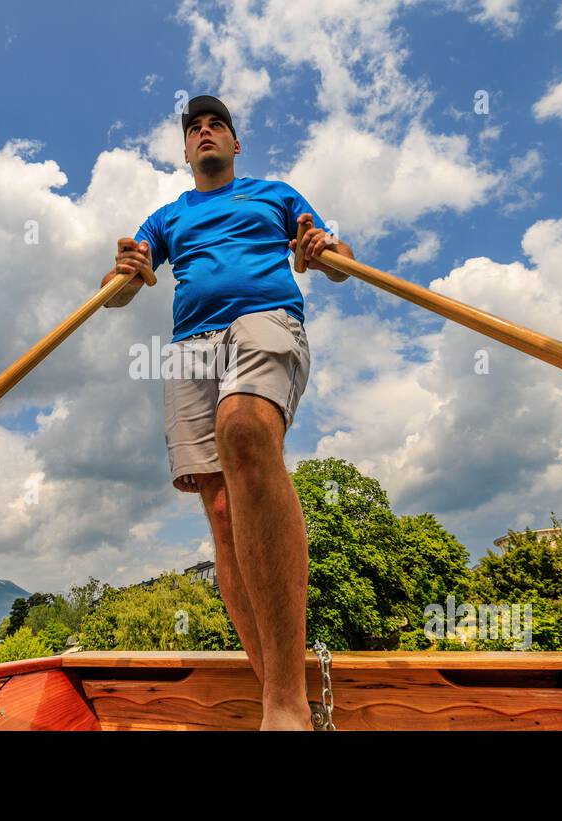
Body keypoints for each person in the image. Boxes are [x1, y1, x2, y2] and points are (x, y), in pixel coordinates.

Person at [101, 95, 355, 730]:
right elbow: (121, 295)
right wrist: (128, 271)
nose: (205, 132)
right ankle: (280, 697)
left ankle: (288, 703)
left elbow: (343, 264)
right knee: (219, 511)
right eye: (194, 129)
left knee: (243, 429)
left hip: (263, 321)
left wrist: (323, 250)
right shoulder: (167, 216)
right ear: (186, 152)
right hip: (191, 348)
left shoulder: (274, 195)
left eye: (216, 125)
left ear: (235, 145)